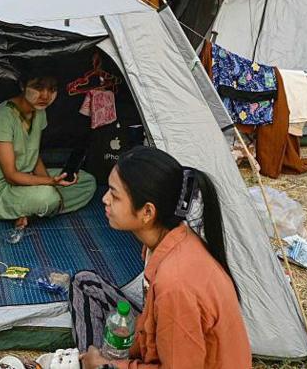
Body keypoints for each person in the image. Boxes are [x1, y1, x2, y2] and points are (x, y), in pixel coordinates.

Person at [72, 146, 251, 369]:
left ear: (147, 212)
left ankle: (92, 363)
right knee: (85, 283)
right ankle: (91, 359)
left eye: (115, 195)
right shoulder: (166, 242)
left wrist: (113, 366)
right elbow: (151, 323)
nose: (105, 199)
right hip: (161, 342)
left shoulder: (175, 285)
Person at [0, 70, 97, 229]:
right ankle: (42, 207)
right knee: (47, 197)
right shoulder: (0, 118)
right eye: (38, 87)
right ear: (22, 85)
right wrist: (50, 183)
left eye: (52, 89)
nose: (45, 95)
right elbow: (11, 176)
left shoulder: (39, 112)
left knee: (87, 182)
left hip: (27, 178)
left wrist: (51, 184)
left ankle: (30, 211)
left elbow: (33, 155)